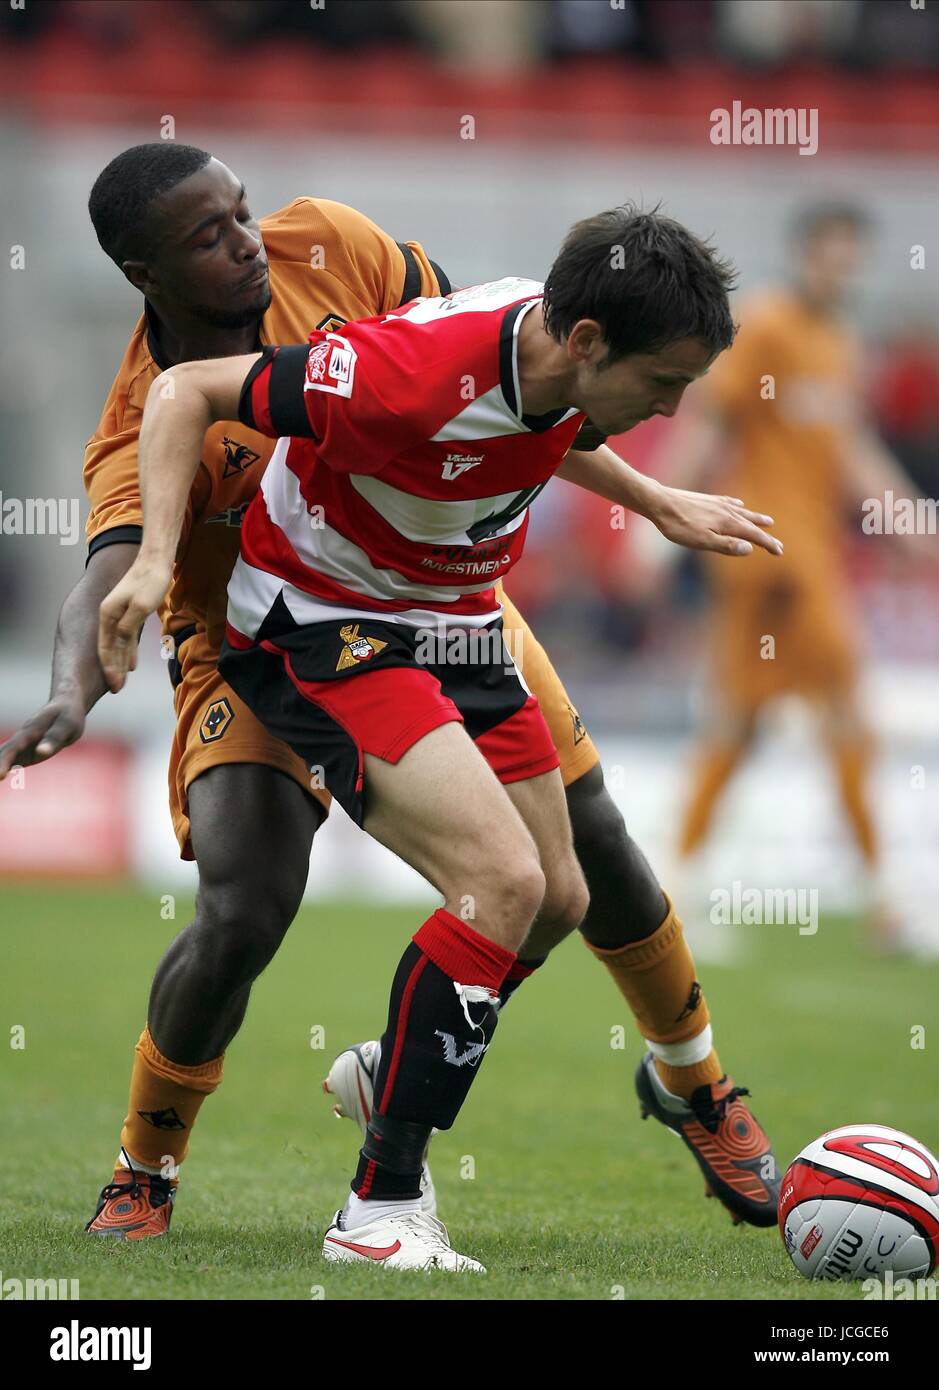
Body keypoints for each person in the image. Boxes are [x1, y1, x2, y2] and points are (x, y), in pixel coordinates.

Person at [0, 144, 778, 1251]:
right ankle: (163, 1170)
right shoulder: (151, 420)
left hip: (455, 590)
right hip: (286, 624)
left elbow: (521, 387)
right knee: (248, 908)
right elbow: (110, 571)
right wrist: (71, 692)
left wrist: (656, 502)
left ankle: (675, 1085)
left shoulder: (332, 248)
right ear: (144, 271)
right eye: (207, 234)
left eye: (242, 210)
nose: (245, 239)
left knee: (573, 872)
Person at [661, 203, 923, 947]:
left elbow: (848, 447)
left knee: (788, 724)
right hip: (764, 556)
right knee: (773, 720)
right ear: (804, 253)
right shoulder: (767, 324)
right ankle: (881, 903)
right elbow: (711, 419)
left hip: (813, 557)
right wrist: (655, 521)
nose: (838, 267)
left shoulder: (839, 343)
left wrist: (903, 518)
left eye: (850, 255)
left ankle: (880, 901)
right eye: (828, 252)